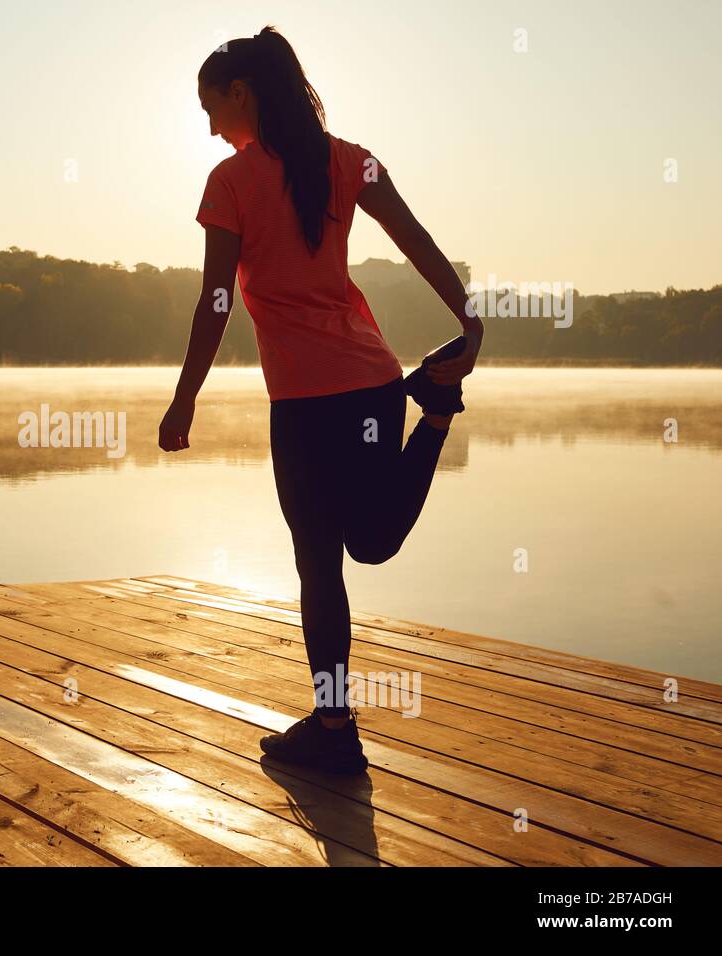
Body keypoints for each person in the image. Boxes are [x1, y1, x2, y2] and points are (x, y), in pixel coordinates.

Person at [158, 25, 484, 775]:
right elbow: (417, 240)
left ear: (242, 93)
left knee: (325, 562)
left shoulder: (232, 181)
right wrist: (469, 318)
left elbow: (216, 301)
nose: (210, 127)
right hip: (372, 386)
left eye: (211, 108)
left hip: (308, 402)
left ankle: (334, 726)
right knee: (363, 545)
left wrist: (185, 398)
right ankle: (434, 414)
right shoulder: (347, 161)